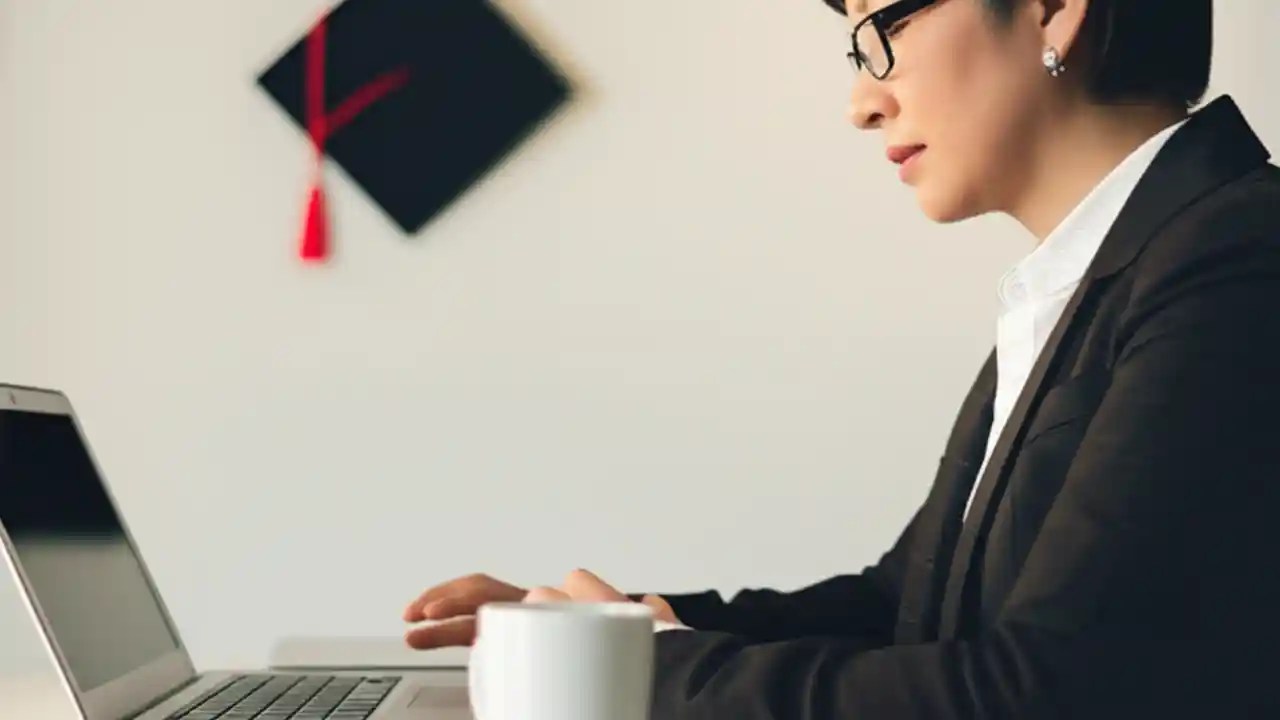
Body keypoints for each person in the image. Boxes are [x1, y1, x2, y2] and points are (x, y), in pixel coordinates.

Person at [402, 0, 1280, 715]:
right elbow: (903, 609)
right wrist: (604, 635)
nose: (863, 101)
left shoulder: (1238, 255)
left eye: (886, 29)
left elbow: (1048, 692)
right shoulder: (1089, 279)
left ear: (1055, 10)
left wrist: (651, 674)